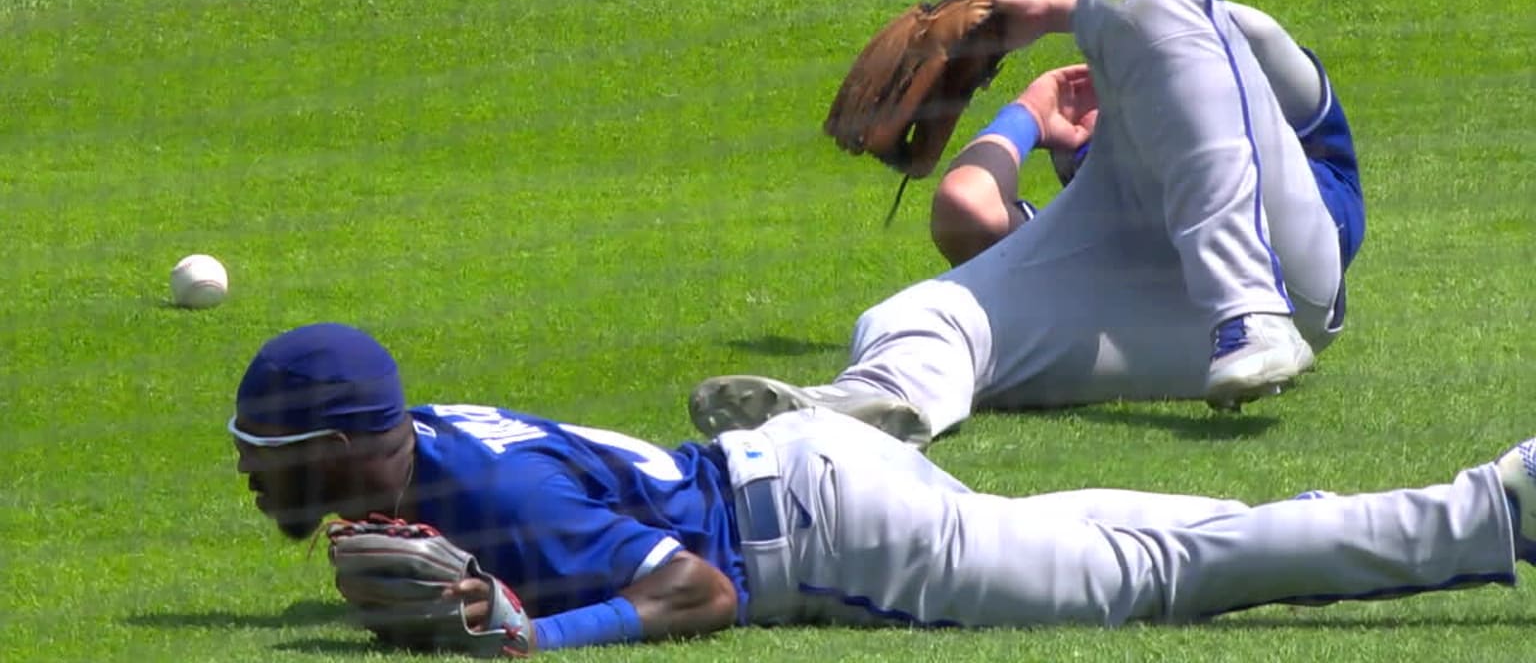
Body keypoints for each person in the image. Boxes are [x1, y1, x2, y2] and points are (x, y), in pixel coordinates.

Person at [234, 323, 1533, 654]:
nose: (248, 477)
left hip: (833, 538)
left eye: (265, 456)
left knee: (1171, 575)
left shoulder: (496, 499)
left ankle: (1503, 507)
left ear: (339, 444)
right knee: (1147, 534)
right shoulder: (428, 444)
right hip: (809, 467)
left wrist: (535, 639)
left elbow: (699, 592)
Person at [690, 0, 1367, 447]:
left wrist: (1048, 11)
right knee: (916, 316)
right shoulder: (1095, 210)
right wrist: (1028, 115)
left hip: (1284, 280)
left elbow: (1217, 26)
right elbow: (966, 208)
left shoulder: (1273, 108)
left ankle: (1247, 311)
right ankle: (860, 411)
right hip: (1157, 324)